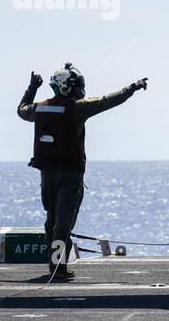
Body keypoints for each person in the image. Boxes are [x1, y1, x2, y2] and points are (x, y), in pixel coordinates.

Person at [17, 63, 148, 280]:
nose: (80, 88)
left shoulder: (38, 108)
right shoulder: (77, 108)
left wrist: (31, 88)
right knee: (63, 224)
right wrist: (132, 87)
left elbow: (21, 110)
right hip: (70, 175)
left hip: (47, 175)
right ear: (67, 86)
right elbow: (109, 100)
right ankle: (58, 268)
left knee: (51, 220)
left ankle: (54, 263)